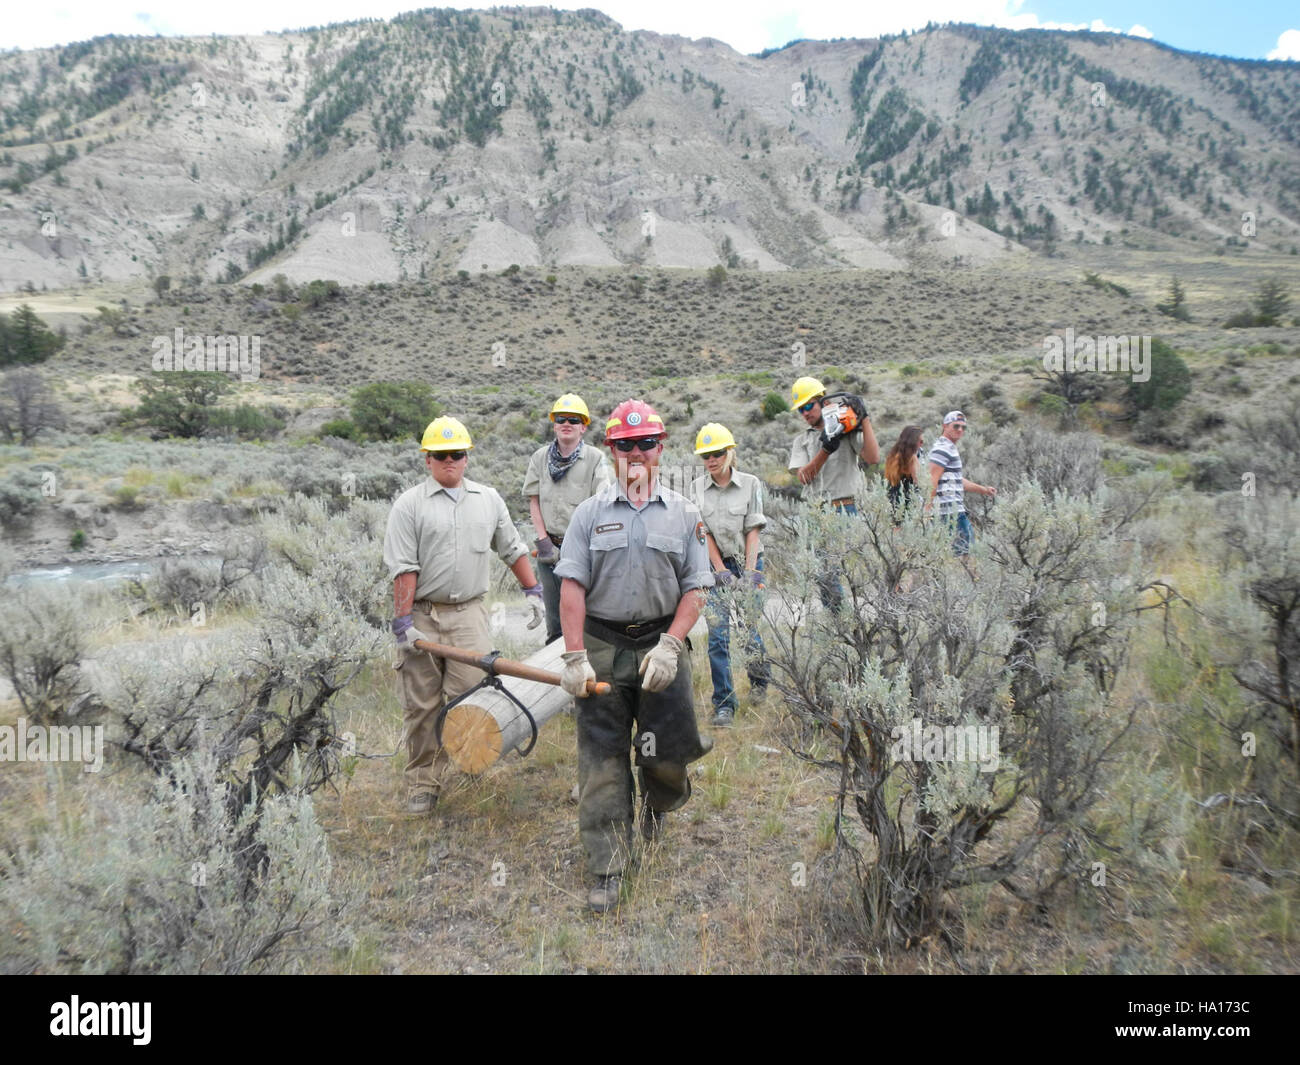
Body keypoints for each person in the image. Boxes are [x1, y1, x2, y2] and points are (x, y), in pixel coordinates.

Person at [554, 399, 714, 913]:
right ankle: (608, 866)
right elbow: (572, 587)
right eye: (626, 445)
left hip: (660, 644)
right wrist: (574, 656)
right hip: (602, 644)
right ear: (612, 450)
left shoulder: (686, 514)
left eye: (647, 443)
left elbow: (696, 588)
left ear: (661, 448)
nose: (637, 453)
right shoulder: (589, 514)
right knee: (602, 757)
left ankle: (658, 807)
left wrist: (671, 643)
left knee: (665, 752)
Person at [383, 416, 546, 815]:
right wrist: (403, 621)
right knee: (422, 705)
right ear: (428, 460)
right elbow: (404, 567)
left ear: (467, 457)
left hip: (469, 614)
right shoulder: (409, 505)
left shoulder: (488, 499)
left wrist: (534, 591)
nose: (450, 461)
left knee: (474, 694)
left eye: (457, 454)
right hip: (422, 615)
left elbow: (512, 548)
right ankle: (424, 782)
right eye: (441, 455)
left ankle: (472, 762)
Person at [691, 422, 770, 726]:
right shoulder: (696, 487)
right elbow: (703, 531)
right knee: (718, 634)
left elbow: (753, 530)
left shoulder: (750, 484)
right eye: (705, 455)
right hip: (716, 565)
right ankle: (724, 703)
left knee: (749, 627)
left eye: (717, 453)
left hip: (749, 560)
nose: (711, 460)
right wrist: (720, 570)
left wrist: (749, 572)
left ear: (730, 452)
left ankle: (760, 681)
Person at [523, 393, 612, 644]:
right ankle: (555, 679)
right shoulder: (539, 458)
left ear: (583, 427)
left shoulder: (596, 459)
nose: (567, 424)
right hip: (549, 551)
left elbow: (602, 504)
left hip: (582, 550)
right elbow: (534, 500)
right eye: (561, 418)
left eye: (574, 420)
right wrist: (543, 542)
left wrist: (582, 547)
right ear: (554, 424)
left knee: (586, 621)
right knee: (555, 624)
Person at [787, 375, 880, 609]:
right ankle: (839, 623)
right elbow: (804, 477)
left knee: (855, 571)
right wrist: (826, 449)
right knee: (825, 575)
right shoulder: (802, 440)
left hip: (846, 508)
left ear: (823, 402)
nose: (805, 413)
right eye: (801, 409)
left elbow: (873, 458)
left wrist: (864, 419)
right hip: (817, 511)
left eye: (809, 405)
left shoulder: (847, 431)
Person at [925, 411, 996, 557]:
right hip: (949, 513)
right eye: (956, 426)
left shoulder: (948, 447)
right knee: (967, 556)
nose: (960, 430)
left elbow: (956, 480)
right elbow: (932, 479)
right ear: (945, 426)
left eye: (964, 427)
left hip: (952, 511)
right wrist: (927, 509)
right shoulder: (943, 448)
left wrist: (984, 490)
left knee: (959, 557)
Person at [884, 425, 925, 521]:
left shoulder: (894, 456)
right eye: (920, 441)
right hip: (906, 506)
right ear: (913, 442)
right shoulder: (911, 458)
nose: (922, 444)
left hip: (896, 504)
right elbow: (919, 480)